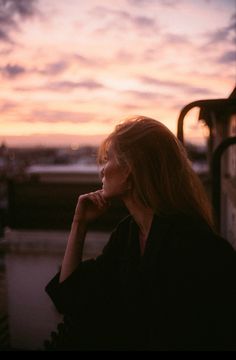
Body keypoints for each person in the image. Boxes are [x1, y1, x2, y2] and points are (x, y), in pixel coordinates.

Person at [45, 116, 236, 351]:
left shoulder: (195, 246)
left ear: (130, 168)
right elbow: (70, 295)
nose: (102, 170)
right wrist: (79, 224)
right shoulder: (127, 235)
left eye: (109, 159)